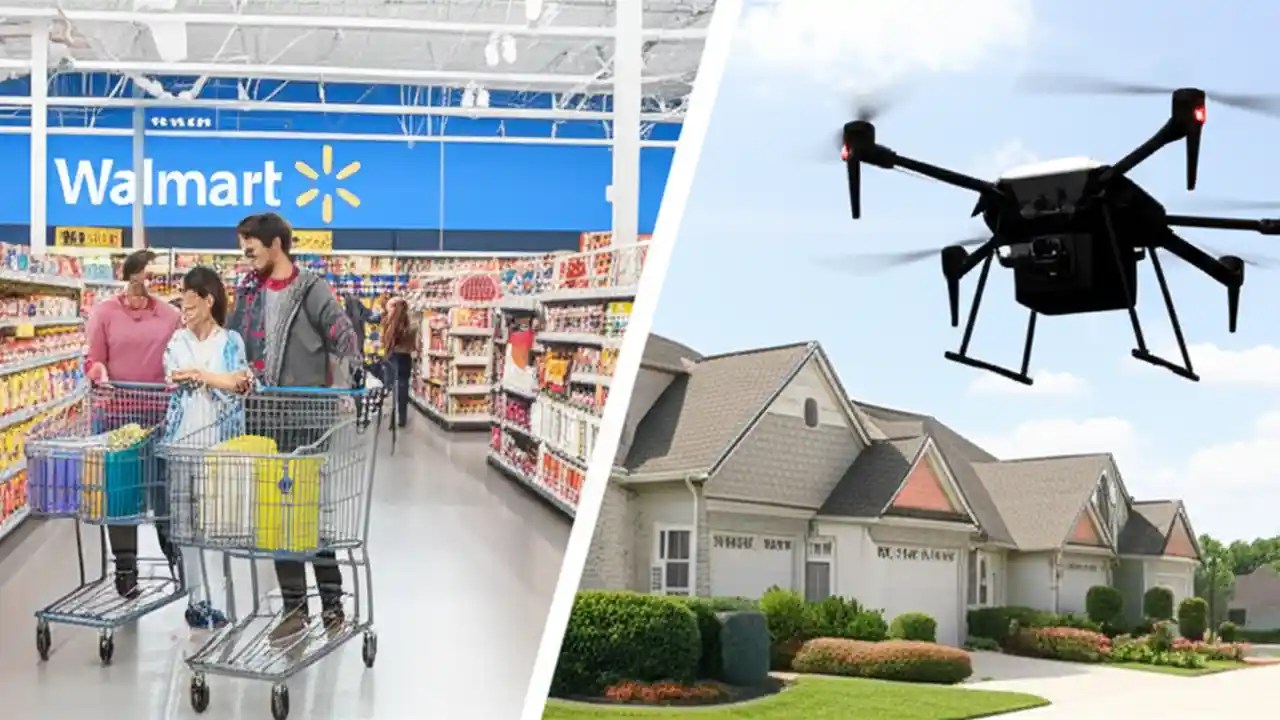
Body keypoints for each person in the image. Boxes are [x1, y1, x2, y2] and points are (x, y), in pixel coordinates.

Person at [227, 212, 363, 643]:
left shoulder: (311, 289)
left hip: (308, 417)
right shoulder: (247, 293)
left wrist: (349, 384)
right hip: (263, 415)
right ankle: (294, 608)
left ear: (276, 245)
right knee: (277, 516)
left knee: (310, 512)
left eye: (252, 248)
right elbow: (234, 343)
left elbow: (344, 335)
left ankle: (333, 604)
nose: (246, 257)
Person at [85, 249, 182, 599]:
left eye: (148, 278)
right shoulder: (104, 313)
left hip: (160, 416)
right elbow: (94, 359)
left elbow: (179, 357)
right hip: (116, 417)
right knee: (121, 495)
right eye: (136, 278)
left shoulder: (171, 315)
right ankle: (126, 569)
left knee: (163, 491)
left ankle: (175, 555)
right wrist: (98, 373)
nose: (141, 286)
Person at [161, 267, 253, 630]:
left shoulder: (231, 341)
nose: (183, 302)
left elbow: (242, 381)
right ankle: (197, 600)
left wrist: (201, 376)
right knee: (186, 529)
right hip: (183, 444)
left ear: (207, 299)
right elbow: (172, 376)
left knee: (218, 527)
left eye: (188, 294)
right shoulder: (177, 341)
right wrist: (216, 379)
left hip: (221, 450)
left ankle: (220, 599)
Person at [379, 296, 417, 428]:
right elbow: (414, 341)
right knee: (403, 386)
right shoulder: (411, 325)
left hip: (392, 356)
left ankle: (390, 416)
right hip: (405, 356)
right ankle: (402, 418)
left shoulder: (389, 322)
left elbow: (383, 339)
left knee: (390, 385)